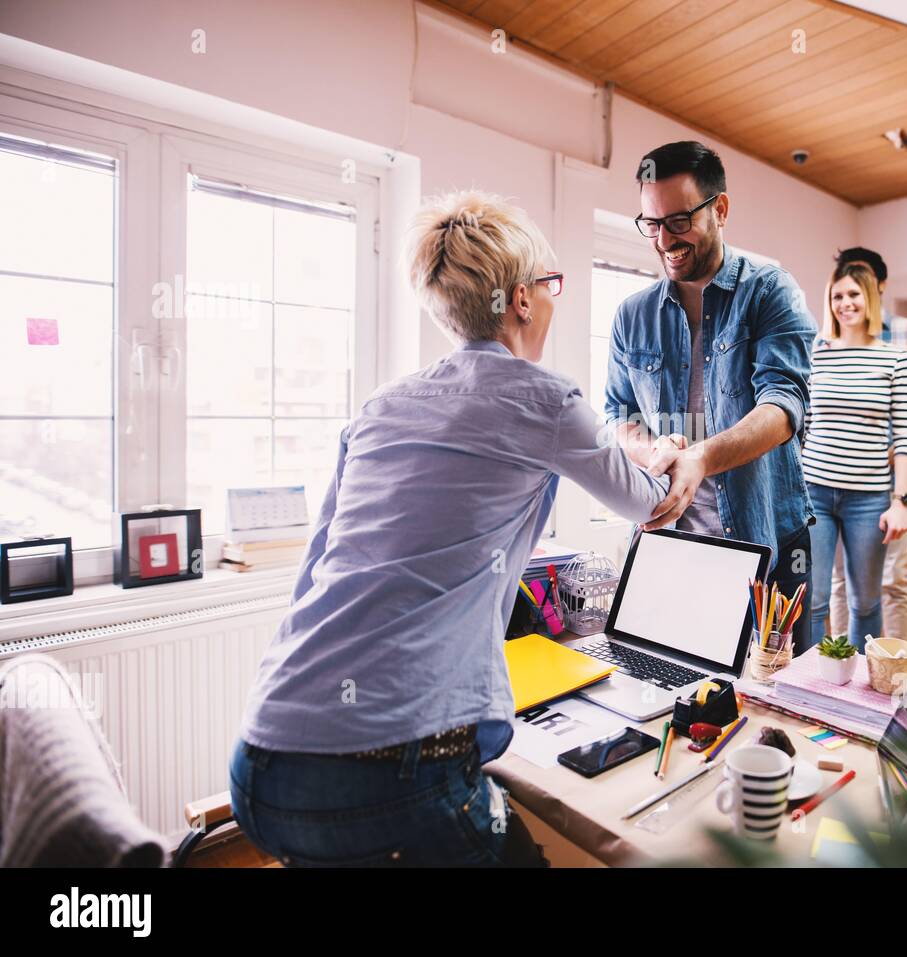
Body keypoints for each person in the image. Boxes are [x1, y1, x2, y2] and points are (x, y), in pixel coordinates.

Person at [229, 191, 669, 867]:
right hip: (387, 771)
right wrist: (670, 456)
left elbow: (316, 567)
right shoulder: (547, 398)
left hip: (262, 764)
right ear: (521, 299)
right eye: (552, 284)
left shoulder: (380, 407)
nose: (555, 300)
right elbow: (647, 503)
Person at [604, 141, 818, 652]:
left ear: (719, 209)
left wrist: (700, 456)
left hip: (763, 544)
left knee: (773, 701)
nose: (664, 240)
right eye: (651, 224)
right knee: (676, 694)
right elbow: (617, 413)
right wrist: (651, 450)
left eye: (678, 221)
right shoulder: (631, 315)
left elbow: (784, 406)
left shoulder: (771, 291)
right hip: (670, 547)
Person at [825, 247, 907, 644]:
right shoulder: (825, 348)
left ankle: (896, 669)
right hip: (833, 481)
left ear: (879, 287)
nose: (850, 298)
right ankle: (839, 663)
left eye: (862, 285)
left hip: (887, 483)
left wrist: (885, 458)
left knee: (892, 582)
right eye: (841, 290)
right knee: (840, 584)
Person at [803, 261, 907, 648]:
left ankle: (859, 694)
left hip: (868, 499)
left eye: (853, 294)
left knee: (865, 601)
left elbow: (905, 437)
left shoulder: (895, 358)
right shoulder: (815, 354)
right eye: (837, 296)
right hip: (813, 493)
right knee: (814, 600)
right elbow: (801, 424)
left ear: (869, 299)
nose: (844, 303)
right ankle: (814, 688)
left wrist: (901, 502)